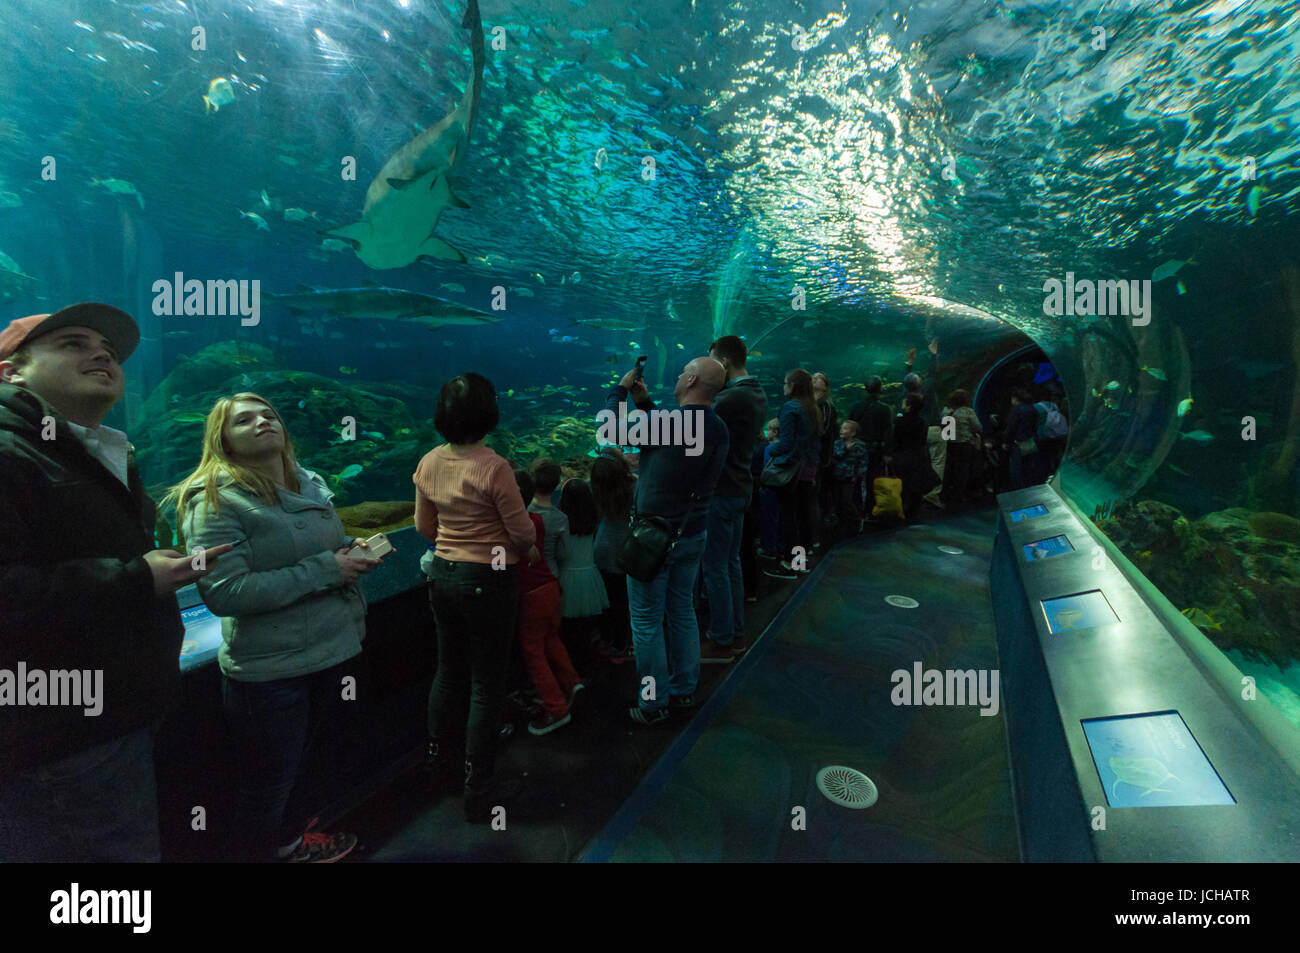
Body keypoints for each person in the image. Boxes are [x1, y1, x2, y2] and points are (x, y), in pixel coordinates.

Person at [0, 304, 232, 863]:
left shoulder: (87, 452)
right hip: (57, 741)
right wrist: (136, 579)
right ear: (10, 371)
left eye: (106, 346)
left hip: (104, 724)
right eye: (74, 343)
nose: (101, 353)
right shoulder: (9, 452)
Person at [175, 392, 379, 862]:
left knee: (306, 765)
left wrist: (351, 548)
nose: (262, 421)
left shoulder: (307, 481)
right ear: (221, 439)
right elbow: (225, 592)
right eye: (243, 420)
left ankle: (290, 843)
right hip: (271, 670)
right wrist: (330, 568)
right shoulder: (213, 501)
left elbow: (316, 543)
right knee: (267, 785)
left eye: (268, 414)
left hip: (332, 649)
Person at [414, 373, 540, 822]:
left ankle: (439, 768)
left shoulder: (428, 461)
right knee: (487, 683)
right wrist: (526, 548)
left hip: (443, 576)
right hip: (488, 578)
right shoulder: (495, 466)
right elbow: (522, 530)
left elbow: (423, 528)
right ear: (489, 415)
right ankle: (479, 785)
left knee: (449, 674)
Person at [606, 357, 728, 725]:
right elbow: (676, 438)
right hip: (691, 535)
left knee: (645, 622)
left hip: (653, 540)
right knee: (682, 612)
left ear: (690, 379)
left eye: (680, 371)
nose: (676, 375)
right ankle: (683, 689)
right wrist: (645, 405)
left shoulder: (670, 424)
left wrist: (620, 390)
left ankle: (652, 704)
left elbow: (610, 431)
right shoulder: (718, 427)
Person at [700, 335, 767, 663]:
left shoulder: (730, 398)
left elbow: (691, 427)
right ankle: (737, 633)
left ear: (724, 362)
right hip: (740, 487)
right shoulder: (756, 391)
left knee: (715, 566)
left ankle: (722, 640)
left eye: (713, 362)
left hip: (722, 492)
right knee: (730, 563)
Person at [512, 468, 583, 737]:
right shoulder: (536, 520)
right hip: (551, 587)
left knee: (533, 652)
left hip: (532, 595)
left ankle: (556, 708)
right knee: (551, 639)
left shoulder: (511, 528)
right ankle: (572, 683)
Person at [767, 368, 821, 575]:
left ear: (792, 386)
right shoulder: (811, 407)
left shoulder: (790, 407)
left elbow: (786, 444)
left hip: (792, 471)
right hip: (808, 469)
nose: (783, 387)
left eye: (785, 383)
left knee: (788, 516)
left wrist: (769, 448)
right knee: (803, 515)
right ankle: (802, 562)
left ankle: (790, 563)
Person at [556, 477, 610, 671]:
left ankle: (570, 667)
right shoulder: (593, 518)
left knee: (567, 628)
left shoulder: (561, 523)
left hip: (567, 577)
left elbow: (562, 554)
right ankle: (586, 664)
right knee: (585, 628)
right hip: (589, 576)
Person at [590, 447, 635, 661]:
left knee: (609, 601)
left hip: (603, 550)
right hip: (627, 550)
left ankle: (610, 641)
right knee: (625, 601)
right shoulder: (633, 486)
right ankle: (625, 644)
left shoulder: (596, 490)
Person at [847, 376, 893, 516]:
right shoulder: (885, 409)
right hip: (875, 449)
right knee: (872, 479)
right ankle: (870, 509)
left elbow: (849, 426)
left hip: (857, 449)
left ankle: (855, 509)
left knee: (855, 479)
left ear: (865, 388)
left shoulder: (856, 407)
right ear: (880, 389)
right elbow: (888, 432)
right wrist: (887, 453)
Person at [890, 392, 941, 519]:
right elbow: (923, 441)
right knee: (916, 485)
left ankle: (901, 511)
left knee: (903, 484)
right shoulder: (922, 422)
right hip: (917, 456)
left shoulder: (899, 421)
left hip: (901, 456)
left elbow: (894, 439)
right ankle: (913, 511)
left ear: (908, 405)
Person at [939, 389, 983, 510]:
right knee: (963, 471)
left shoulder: (947, 411)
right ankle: (960, 495)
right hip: (964, 445)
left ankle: (946, 494)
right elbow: (978, 427)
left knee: (949, 470)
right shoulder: (968, 411)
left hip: (951, 445)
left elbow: (943, 429)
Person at [527, 457, 569, 579]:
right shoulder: (561, 518)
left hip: (524, 575)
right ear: (557, 484)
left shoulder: (521, 513)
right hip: (549, 576)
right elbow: (563, 554)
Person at [811, 372, 838, 545]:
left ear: (825, 385)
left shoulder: (825, 405)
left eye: (818, 377)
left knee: (819, 491)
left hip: (821, 456)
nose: (814, 379)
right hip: (814, 454)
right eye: (812, 377)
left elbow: (824, 430)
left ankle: (819, 529)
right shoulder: (812, 403)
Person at [831, 419, 869, 533]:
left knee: (847, 500)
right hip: (837, 476)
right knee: (837, 501)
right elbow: (836, 454)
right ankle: (841, 522)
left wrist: (859, 475)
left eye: (845, 428)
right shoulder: (837, 443)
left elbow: (864, 461)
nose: (842, 430)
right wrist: (846, 449)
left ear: (853, 433)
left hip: (850, 478)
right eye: (842, 428)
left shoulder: (860, 445)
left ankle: (857, 521)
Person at [1005, 388, 1045, 490]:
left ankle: (1020, 491)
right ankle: (1031, 489)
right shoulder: (1032, 408)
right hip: (1031, 442)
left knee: (1016, 470)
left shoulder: (1016, 409)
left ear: (1015, 398)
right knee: (1030, 468)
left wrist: (1006, 442)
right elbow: (1035, 425)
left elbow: (1011, 427)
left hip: (1018, 443)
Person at [758, 418, 782, 558]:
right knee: (778, 517)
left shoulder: (770, 448)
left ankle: (769, 548)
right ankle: (777, 545)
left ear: (775, 431)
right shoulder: (786, 446)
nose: (767, 433)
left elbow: (766, 467)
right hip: (782, 486)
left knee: (768, 518)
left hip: (768, 486)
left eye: (769, 430)